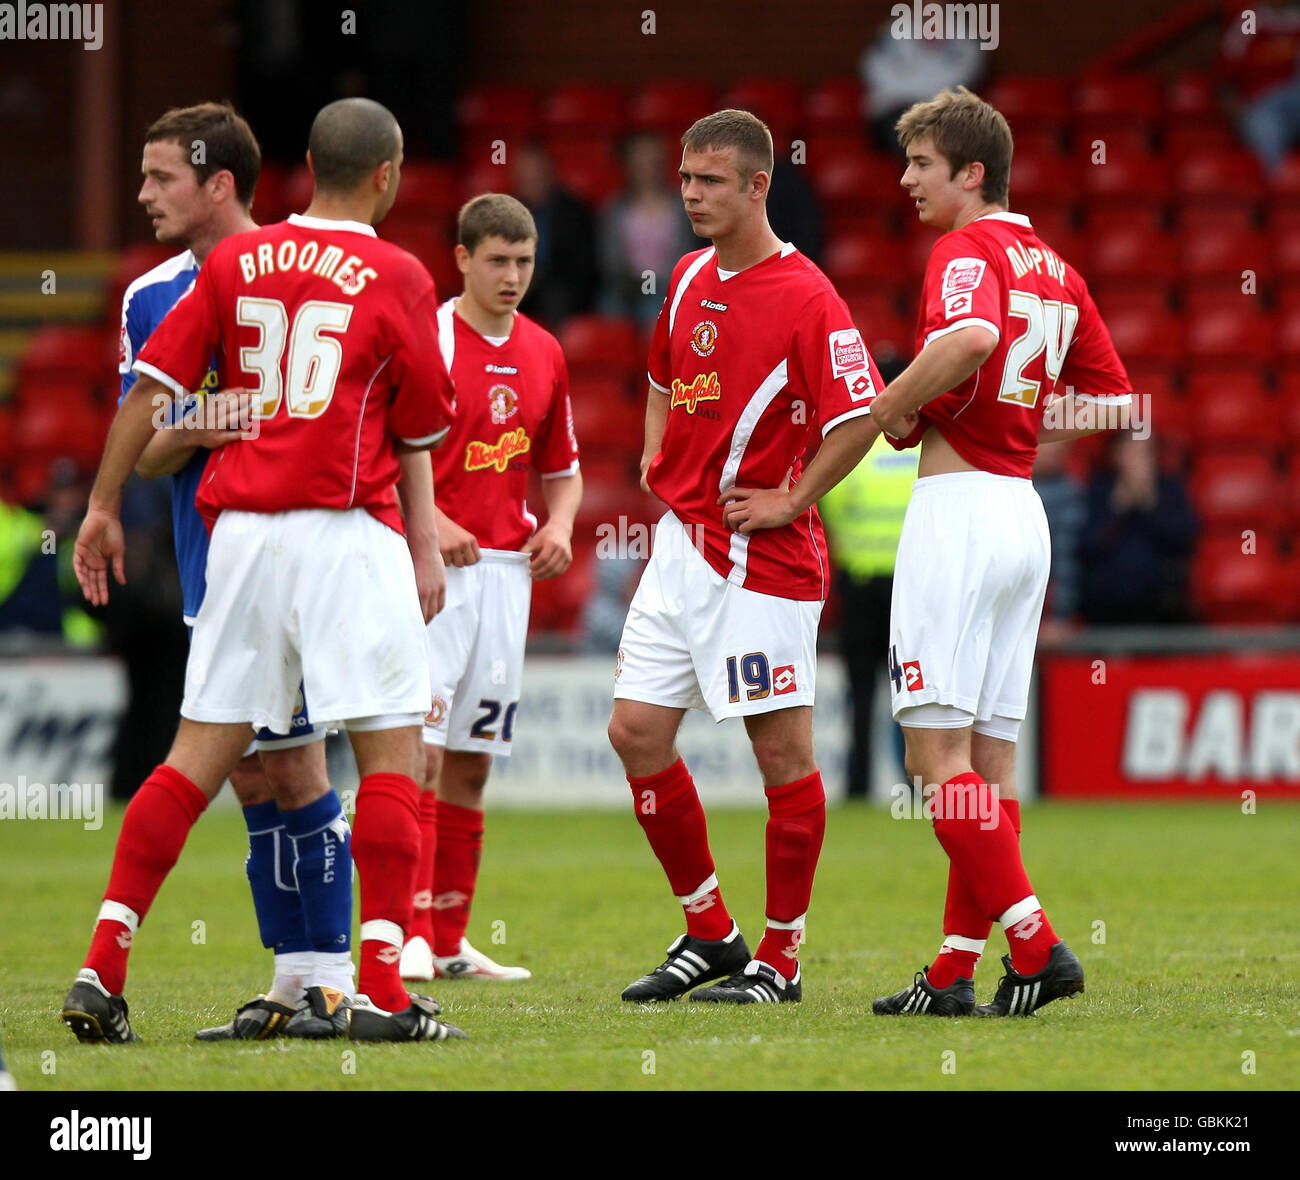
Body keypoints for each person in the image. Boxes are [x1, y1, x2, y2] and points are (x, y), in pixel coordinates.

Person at [63, 97, 465, 1044]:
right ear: (387, 174)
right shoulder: (399, 272)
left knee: (195, 759)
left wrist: (102, 507)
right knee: (389, 755)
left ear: (305, 167)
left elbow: (155, 392)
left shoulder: (239, 262)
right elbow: (423, 419)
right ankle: (383, 993)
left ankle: (102, 966)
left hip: (239, 536)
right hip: (342, 531)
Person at [608, 108, 889, 1005]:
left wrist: (795, 498)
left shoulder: (809, 297)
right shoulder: (688, 274)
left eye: (710, 181)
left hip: (760, 560)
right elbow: (660, 378)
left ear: (758, 185)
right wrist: (655, 456)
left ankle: (784, 957)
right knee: (635, 733)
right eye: (686, 178)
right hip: (681, 546)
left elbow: (861, 418)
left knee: (783, 760)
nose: (689, 194)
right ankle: (710, 930)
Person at [866, 87, 1132, 1017]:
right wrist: (1017, 425)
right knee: (991, 762)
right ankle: (949, 974)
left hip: (959, 516)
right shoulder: (1057, 267)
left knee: (933, 763)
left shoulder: (966, 249)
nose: (906, 182)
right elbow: (1112, 403)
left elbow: (974, 335)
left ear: (971, 174)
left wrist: (893, 406)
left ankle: (1034, 940)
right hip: (1022, 512)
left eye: (921, 166)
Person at [96, 102, 355, 1044]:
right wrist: (206, 422)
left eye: (160, 177)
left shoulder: (308, 271)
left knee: (297, 768)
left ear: (218, 184)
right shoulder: (150, 297)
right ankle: (292, 983)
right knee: (255, 780)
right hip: (214, 573)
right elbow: (153, 449)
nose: (143, 195)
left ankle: (330, 982)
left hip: (295, 565)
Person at [398, 193, 582, 984]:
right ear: (462, 259)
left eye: (525, 260)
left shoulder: (545, 349)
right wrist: (432, 522)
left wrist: (561, 527)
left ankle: (447, 939)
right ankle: (400, 929)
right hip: (434, 577)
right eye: (498, 260)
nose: (513, 276)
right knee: (421, 756)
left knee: (472, 763)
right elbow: (383, 450)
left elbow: (563, 471)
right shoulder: (429, 338)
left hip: (508, 579)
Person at [818, 442, 918, 799]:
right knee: (913, 693)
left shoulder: (853, 447)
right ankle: (919, 785)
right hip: (911, 589)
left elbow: (832, 510)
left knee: (860, 694)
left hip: (860, 588)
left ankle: (858, 787)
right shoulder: (920, 449)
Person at [1078, 431, 1196, 625]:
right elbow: (1088, 545)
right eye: (1131, 451)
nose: (1137, 460)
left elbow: (1183, 541)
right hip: (1104, 606)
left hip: (1162, 606)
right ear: (1115, 455)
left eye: (1144, 452)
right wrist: (1117, 508)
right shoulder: (1099, 490)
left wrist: (1149, 505)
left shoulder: (1170, 490)